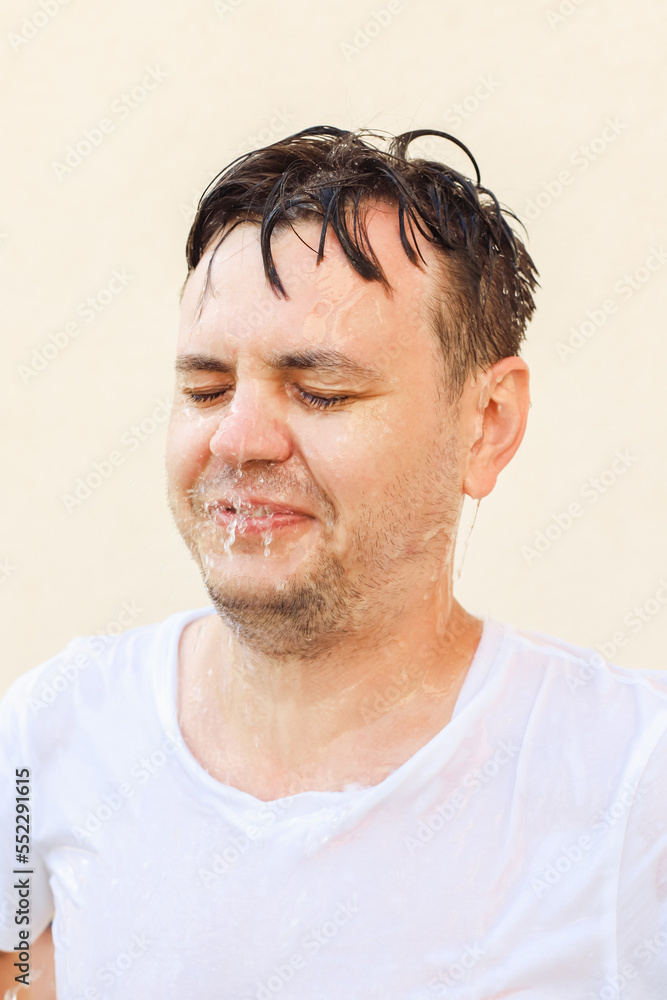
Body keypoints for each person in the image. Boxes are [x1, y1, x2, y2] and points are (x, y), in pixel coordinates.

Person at [1, 125, 666, 999]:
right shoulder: (49, 735)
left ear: (487, 423)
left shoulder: (632, 781)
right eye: (204, 388)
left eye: (322, 390)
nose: (235, 438)